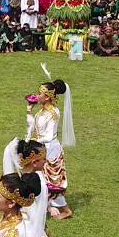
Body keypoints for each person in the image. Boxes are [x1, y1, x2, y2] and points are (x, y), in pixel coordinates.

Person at [28, 79, 74, 219]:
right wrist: (29, 110)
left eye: (40, 93)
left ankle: (66, 210)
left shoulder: (53, 113)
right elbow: (32, 128)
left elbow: (48, 136)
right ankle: (43, 206)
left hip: (50, 150)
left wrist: (35, 141)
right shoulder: (41, 112)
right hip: (40, 149)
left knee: (52, 182)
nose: (37, 95)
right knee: (38, 178)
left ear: (47, 96)